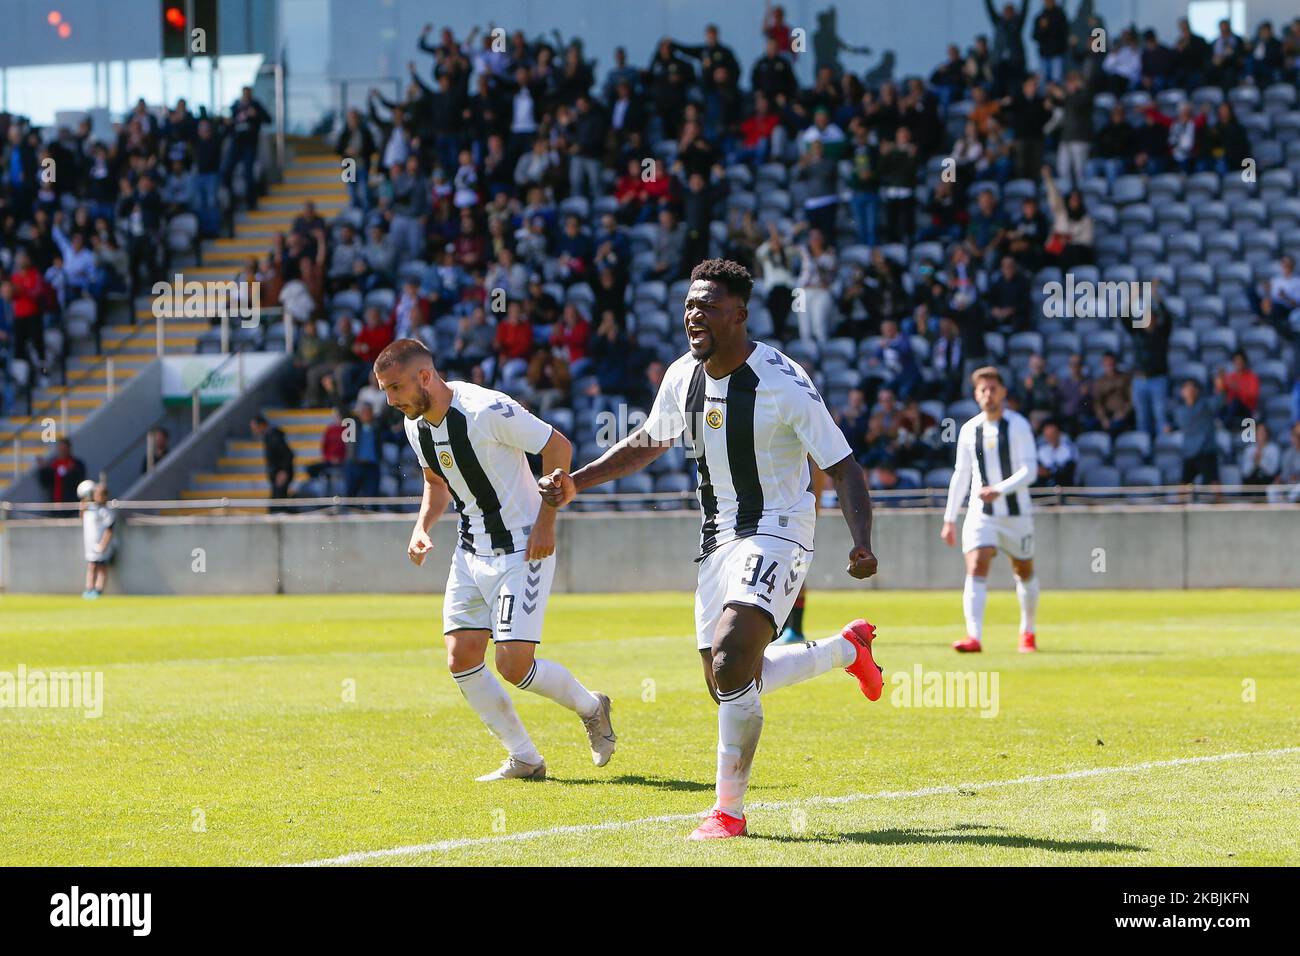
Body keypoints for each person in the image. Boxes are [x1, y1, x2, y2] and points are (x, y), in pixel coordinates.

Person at [539, 259, 883, 841]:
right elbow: (649, 441)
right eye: (690, 306)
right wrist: (578, 481)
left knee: (730, 656)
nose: (694, 315)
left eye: (708, 306)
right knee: (726, 680)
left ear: (740, 315)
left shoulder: (782, 381)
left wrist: (862, 542)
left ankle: (728, 813)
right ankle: (845, 652)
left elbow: (843, 465)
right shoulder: (683, 376)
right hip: (717, 537)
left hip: (780, 528)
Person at [374, 337, 616, 781]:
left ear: (424, 376)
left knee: (512, 665)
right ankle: (524, 757)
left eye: (394, 387)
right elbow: (436, 483)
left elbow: (556, 447)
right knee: (461, 657)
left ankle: (591, 706)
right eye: (385, 389)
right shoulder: (416, 424)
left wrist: (548, 522)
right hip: (471, 550)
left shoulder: (486, 410)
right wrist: (421, 527)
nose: (390, 400)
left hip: (523, 547)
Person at [941, 366, 1040, 654]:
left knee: (1024, 571)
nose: (988, 394)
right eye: (982, 389)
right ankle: (974, 637)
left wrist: (1001, 489)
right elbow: (961, 474)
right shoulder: (970, 429)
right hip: (981, 514)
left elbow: (1030, 470)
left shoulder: (1018, 425)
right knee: (976, 565)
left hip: (1016, 514)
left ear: (1003, 392)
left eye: (993, 389)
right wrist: (949, 518)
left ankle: (1028, 631)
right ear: (976, 394)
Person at [250, 414, 295, 508]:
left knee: (278, 506)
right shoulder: (269, 436)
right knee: (276, 504)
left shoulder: (273, 436)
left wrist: (283, 471)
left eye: (255, 427)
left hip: (280, 475)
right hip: (277, 475)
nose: (254, 431)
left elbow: (288, 454)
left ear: (261, 425)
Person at [81, 482, 116, 599]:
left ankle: (99, 590)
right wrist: (82, 506)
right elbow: (83, 518)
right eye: (96, 494)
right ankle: (89, 589)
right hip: (90, 545)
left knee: (102, 567)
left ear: (105, 496)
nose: (98, 496)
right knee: (91, 566)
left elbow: (109, 529)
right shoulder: (89, 509)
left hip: (101, 545)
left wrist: (103, 545)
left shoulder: (107, 512)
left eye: (101, 494)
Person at [38, 438, 87, 504]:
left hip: (71, 503)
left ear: (69, 449)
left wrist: (71, 472)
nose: (62, 451)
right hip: (55, 504)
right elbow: (45, 483)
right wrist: (43, 469)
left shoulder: (76, 464)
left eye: (65, 449)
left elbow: (81, 481)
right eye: (61, 449)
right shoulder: (52, 464)